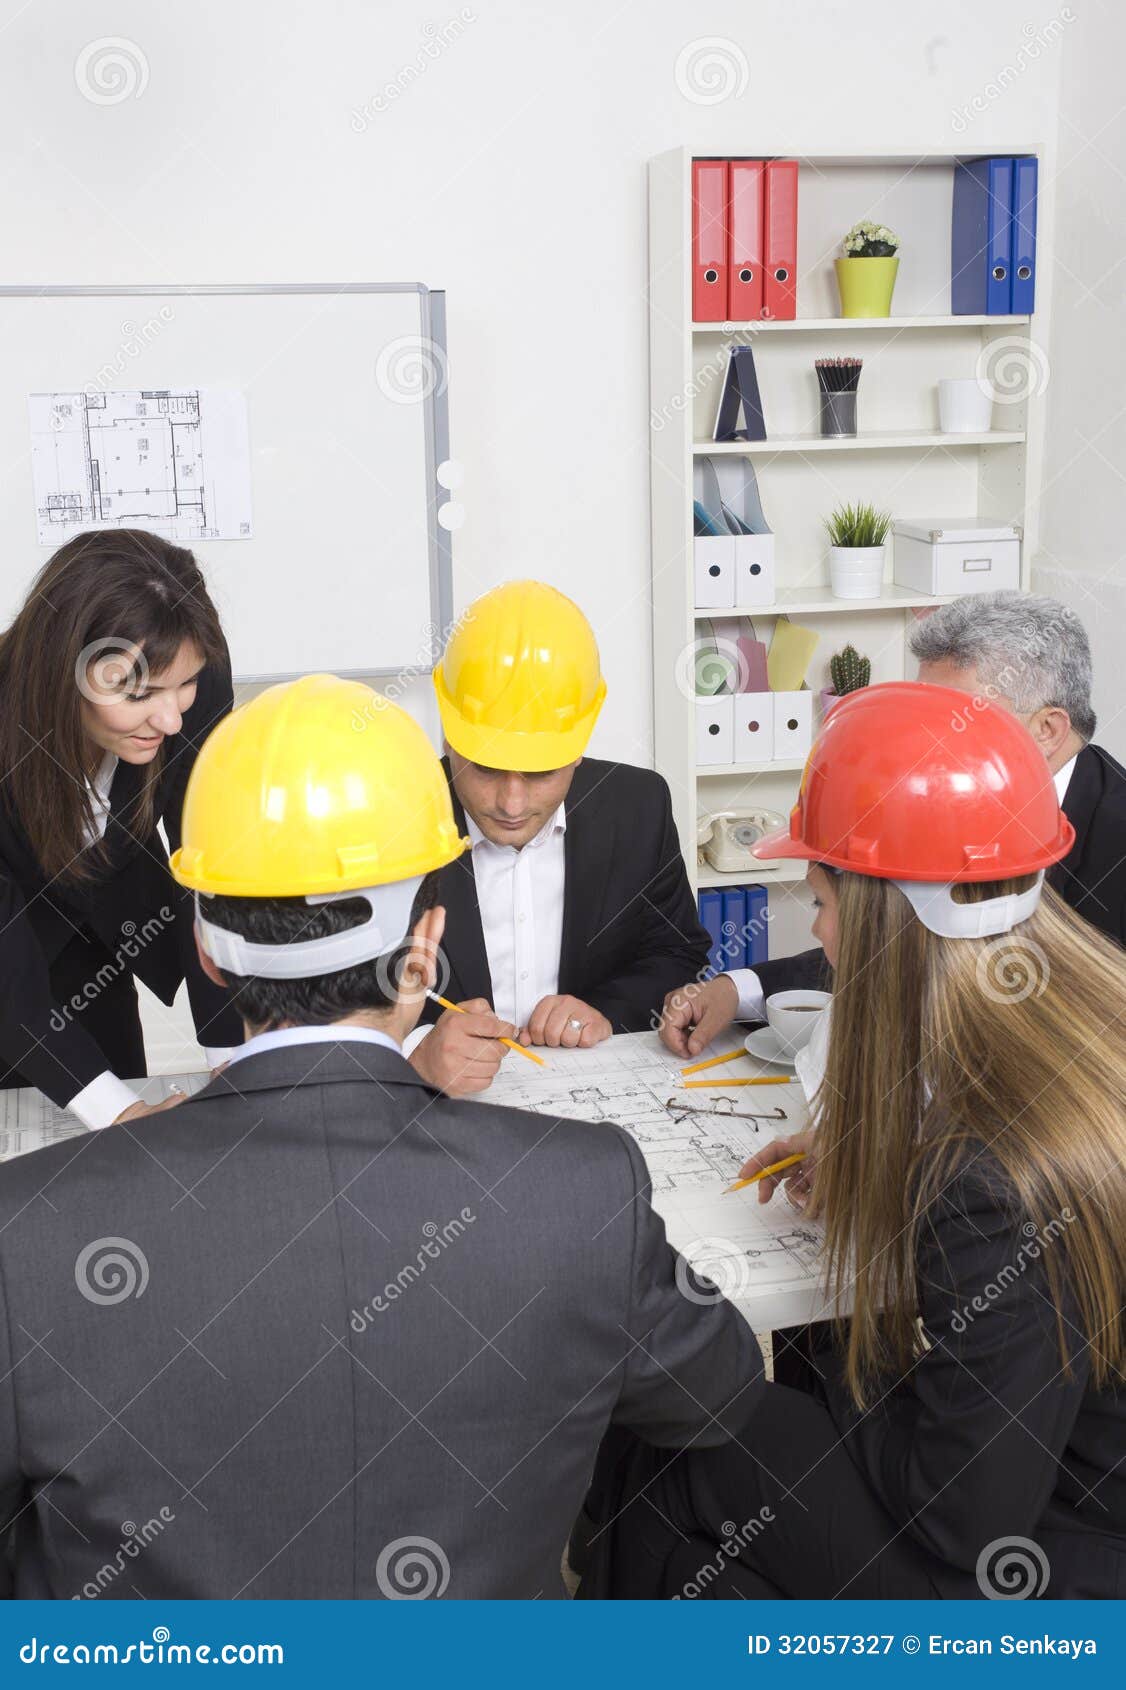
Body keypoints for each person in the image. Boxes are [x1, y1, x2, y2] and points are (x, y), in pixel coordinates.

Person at [0, 674, 763, 1599]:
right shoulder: (585, 1193)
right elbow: (720, 1393)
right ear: (424, 945)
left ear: (204, 946)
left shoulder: (26, 1232)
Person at [592, 682, 1126, 1600]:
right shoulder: (1082, 1031)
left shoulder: (991, 1176)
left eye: (824, 906)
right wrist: (895, 1170)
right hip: (1057, 1483)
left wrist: (843, 1349)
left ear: (892, 925)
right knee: (700, 1528)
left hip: (1046, 1557)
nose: (822, 940)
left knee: (702, 1440)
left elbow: (966, 1514)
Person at [660, 589, 1126, 1062]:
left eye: (956, 720)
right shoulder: (944, 805)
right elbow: (888, 938)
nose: (925, 744)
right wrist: (738, 989)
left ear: (1048, 729)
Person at [408, 581, 711, 1096]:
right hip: (437, 1110)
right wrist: (413, 1054)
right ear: (448, 732)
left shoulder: (639, 807)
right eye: (484, 767)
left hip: (588, 1100)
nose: (511, 803)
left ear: (578, 745)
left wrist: (605, 1013)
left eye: (542, 772)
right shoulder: (392, 817)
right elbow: (336, 997)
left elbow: (676, 956)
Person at [0, 530, 241, 1125]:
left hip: (100, 949)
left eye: (182, 684)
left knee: (116, 1162)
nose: (169, 716)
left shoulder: (197, 686)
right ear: (65, 672)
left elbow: (207, 861)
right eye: (138, 693)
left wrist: (233, 1056)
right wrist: (116, 1112)